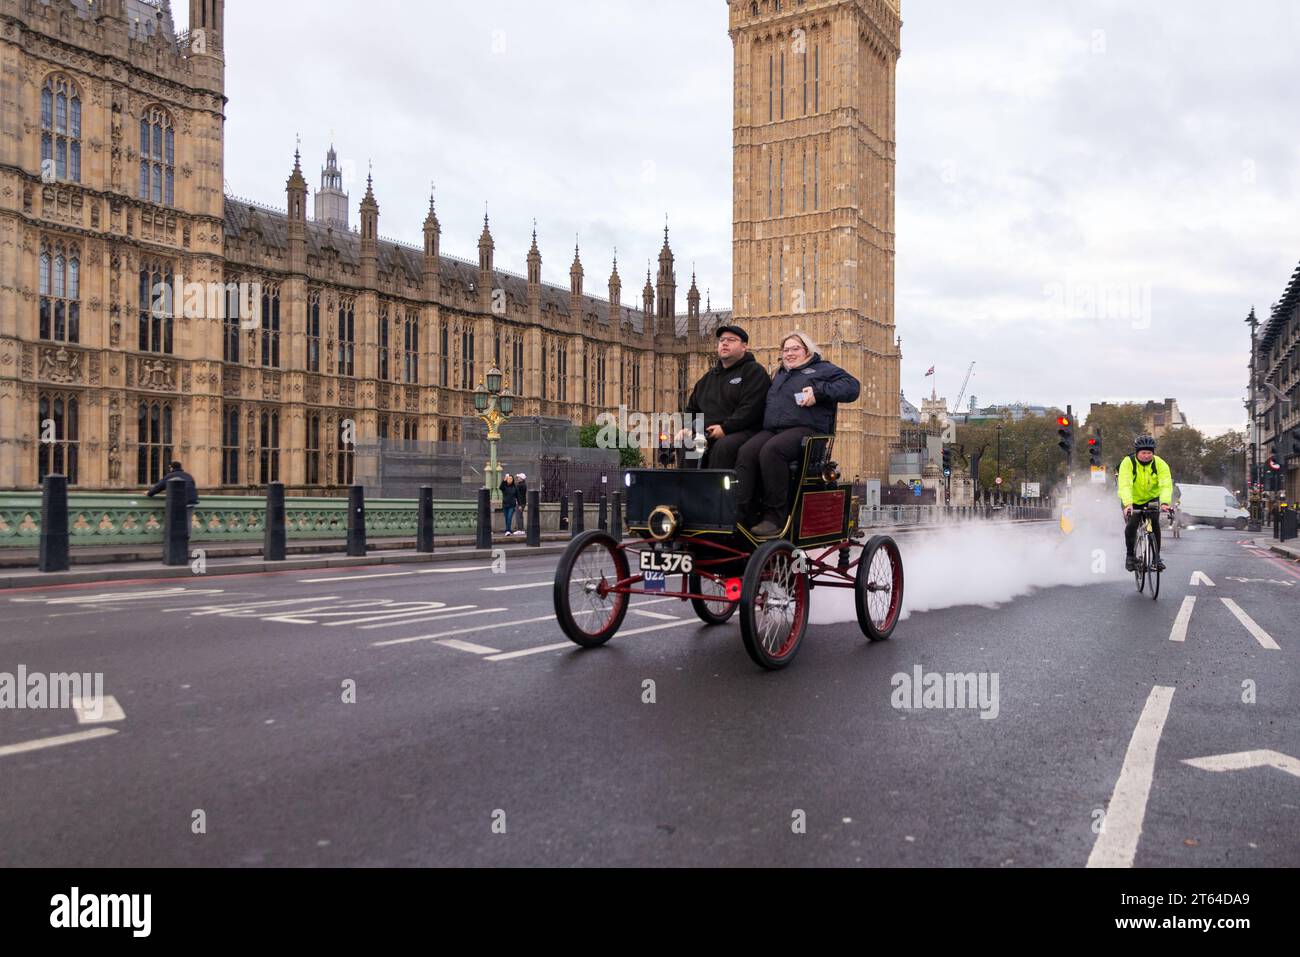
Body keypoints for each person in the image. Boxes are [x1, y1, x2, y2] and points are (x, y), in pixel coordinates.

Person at [736, 331, 860, 537]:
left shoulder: (822, 369)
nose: (790, 353)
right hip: (775, 430)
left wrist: (818, 392)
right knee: (746, 451)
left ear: (807, 351)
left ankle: (775, 517)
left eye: (795, 349)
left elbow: (852, 387)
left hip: (808, 433)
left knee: (772, 451)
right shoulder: (779, 374)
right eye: (786, 350)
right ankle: (742, 512)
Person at [676, 324, 771, 470]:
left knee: (724, 446)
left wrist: (725, 428)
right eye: (722, 340)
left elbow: (751, 409)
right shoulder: (707, 378)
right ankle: (689, 489)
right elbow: (692, 407)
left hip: (743, 431)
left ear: (744, 346)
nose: (725, 343)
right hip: (708, 432)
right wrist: (687, 427)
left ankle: (719, 491)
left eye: (731, 340)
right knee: (687, 443)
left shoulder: (754, 372)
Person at [1117, 434, 1172, 572]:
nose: (1147, 455)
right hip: (1132, 500)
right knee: (1132, 524)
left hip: (1151, 498)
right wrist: (1128, 504)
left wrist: (1165, 502)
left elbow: (1165, 484)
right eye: (1143, 453)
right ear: (1137, 453)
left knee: (1154, 523)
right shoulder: (1128, 462)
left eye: (1149, 453)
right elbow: (1124, 485)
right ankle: (1130, 556)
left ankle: (1156, 559)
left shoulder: (1160, 463)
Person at [147, 460, 200, 528]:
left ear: (171, 468)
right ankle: (186, 537)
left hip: (179, 501)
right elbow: (193, 486)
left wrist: (149, 493)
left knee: (173, 519)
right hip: (191, 500)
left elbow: (159, 486)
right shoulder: (188, 475)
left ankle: (174, 536)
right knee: (188, 520)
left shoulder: (171, 475)